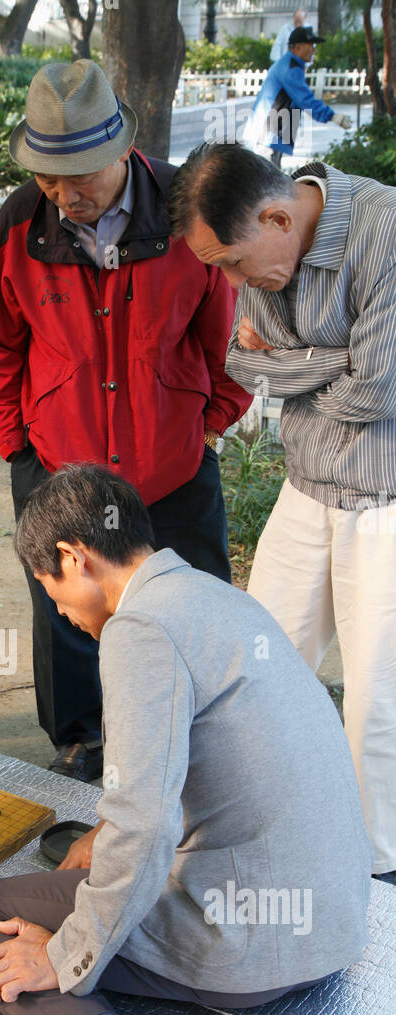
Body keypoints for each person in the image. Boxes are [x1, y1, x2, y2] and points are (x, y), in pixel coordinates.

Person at [0, 466, 372, 1015]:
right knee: (89, 861)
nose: (64, 615)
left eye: (52, 594)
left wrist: (65, 954)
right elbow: (182, 776)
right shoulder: (212, 595)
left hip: (245, 947)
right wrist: (107, 830)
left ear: (73, 558)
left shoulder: (137, 631)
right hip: (330, 925)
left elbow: (144, 830)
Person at [0, 60, 252, 783]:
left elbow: (228, 341)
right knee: (68, 623)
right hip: (61, 466)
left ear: (123, 150)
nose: (66, 195)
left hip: (174, 466)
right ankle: (81, 747)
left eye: (81, 176)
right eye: (49, 178)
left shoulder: (187, 211)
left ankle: (200, 743)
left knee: (192, 609)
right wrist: (19, 451)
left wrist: (205, 426)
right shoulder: (18, 226)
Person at [169, 141, 396, 889]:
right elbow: (242, 362)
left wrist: (297, 362)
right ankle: (260, 833)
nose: (232, 282)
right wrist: (337, 357)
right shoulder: (264, 248)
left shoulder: (383, 228)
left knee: (375, 709)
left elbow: (376, 393)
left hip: (385, 502)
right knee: (258, 675)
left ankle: (374, 876)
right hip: (306, 488)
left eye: (232, 264)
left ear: (276, 215)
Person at [247, 25, 351, 167]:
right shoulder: (290, 69)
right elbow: (305, 100)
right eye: (310, 45)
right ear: (297, 48)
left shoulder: (290, 65)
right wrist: (332, 116)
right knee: (265, 185)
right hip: (267, 136)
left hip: (268, 136)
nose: (313, 49)